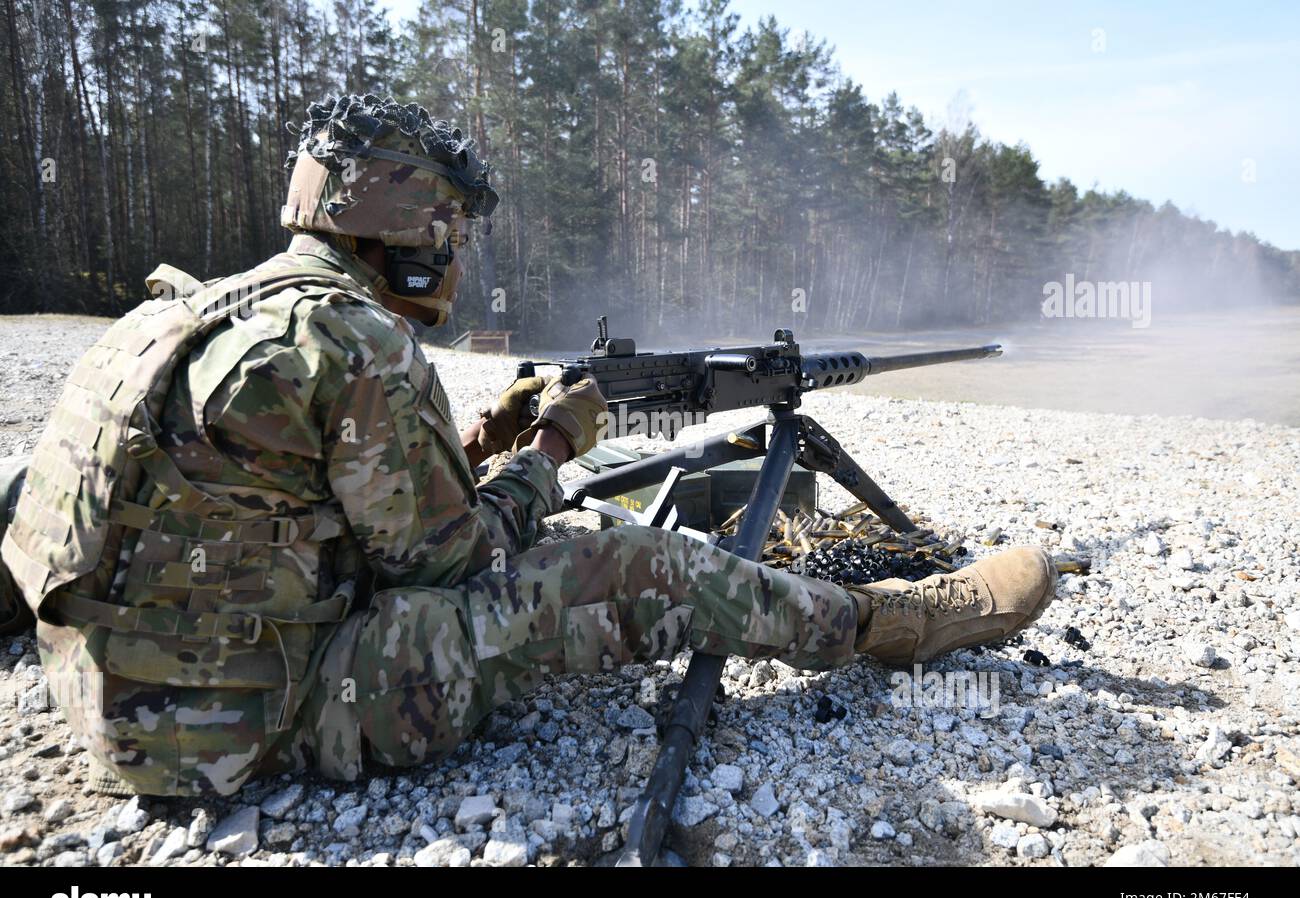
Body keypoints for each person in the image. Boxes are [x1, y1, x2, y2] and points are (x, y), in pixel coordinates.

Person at [0, 94, 1056, 798]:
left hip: (105, 696)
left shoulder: (186, 312)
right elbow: (458, 562)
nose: (457, 251)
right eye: (450, 227)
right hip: (250, 726)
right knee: (622, 555)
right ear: (401, 230)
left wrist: (472, 443)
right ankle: (898, 622)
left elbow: (278, 502)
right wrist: (549, 448)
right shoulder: (359, 341)